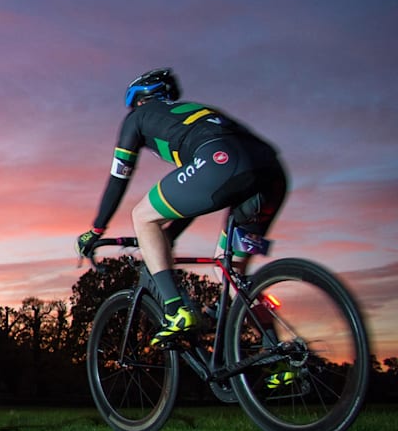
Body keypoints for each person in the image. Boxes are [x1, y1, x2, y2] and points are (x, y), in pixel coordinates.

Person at [76, 67, 288, 355]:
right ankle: (277, 351)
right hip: (270, 171)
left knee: (142, 216)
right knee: (230, 274)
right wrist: (169, 235)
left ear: (139, 99)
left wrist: (96, 229)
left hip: (218, 159)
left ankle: (177, 311)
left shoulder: (137, 118)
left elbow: (119, 179)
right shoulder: (191, 114)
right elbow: (194, 198)